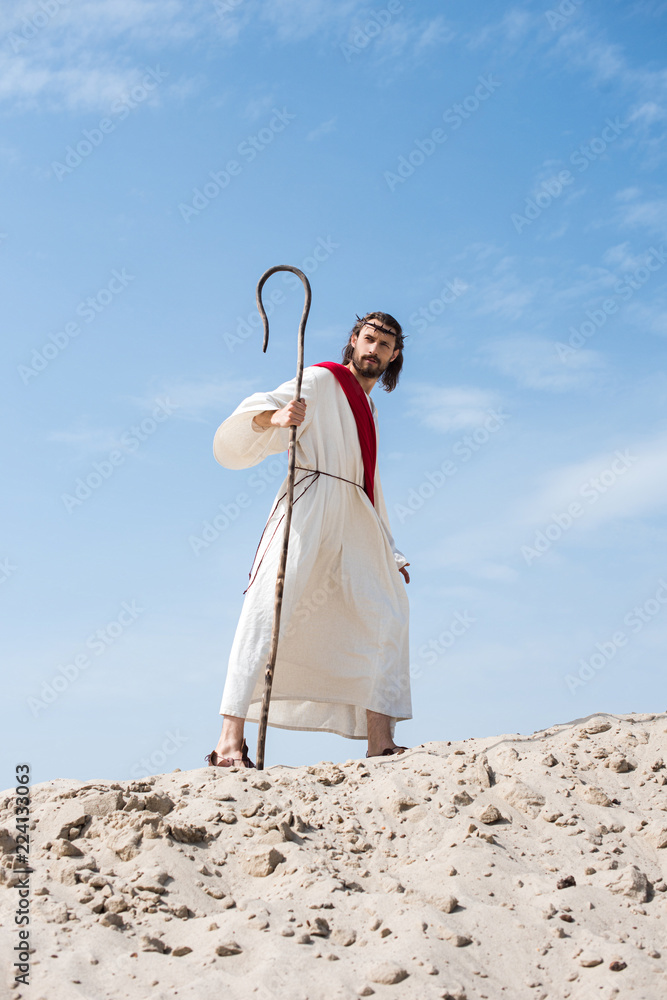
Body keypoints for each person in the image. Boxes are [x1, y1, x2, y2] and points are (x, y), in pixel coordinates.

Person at [205, 312, 412, 768]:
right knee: (269, 608)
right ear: (353, 341)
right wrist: (275, 417)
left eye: (384, 344)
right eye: (368, 339)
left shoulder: (370, 407)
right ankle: (228, 741)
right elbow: (254, 412)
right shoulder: (320, 379)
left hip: (356, 513)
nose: (373, 349)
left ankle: (380, 739)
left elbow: (370, 480)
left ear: (394, 355)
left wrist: (390, 551)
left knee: (386, 612)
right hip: (310, 500)